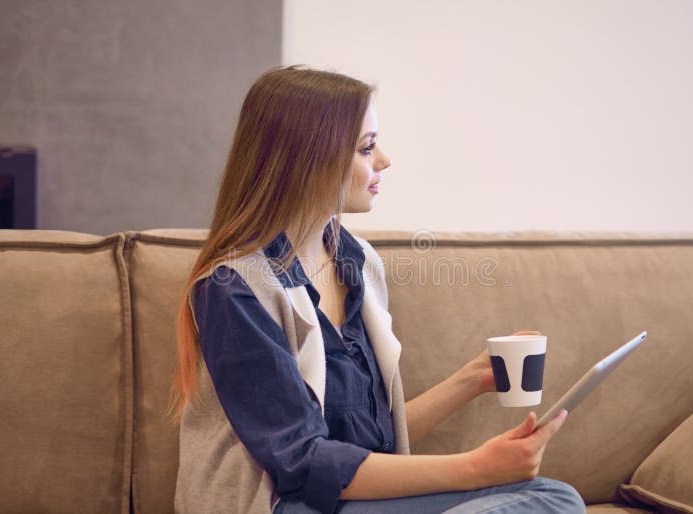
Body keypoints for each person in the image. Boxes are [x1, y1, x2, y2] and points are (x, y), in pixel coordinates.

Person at [169, 65, 586, 514]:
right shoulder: (235, 288)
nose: (384, 160)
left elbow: (377, 439)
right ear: (307, 158)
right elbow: (303, 464)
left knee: (553, 497)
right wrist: (475, 467)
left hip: (345, 500)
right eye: (366, 148)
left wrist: (472, 379)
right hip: (281, 504)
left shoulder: (356, 262)